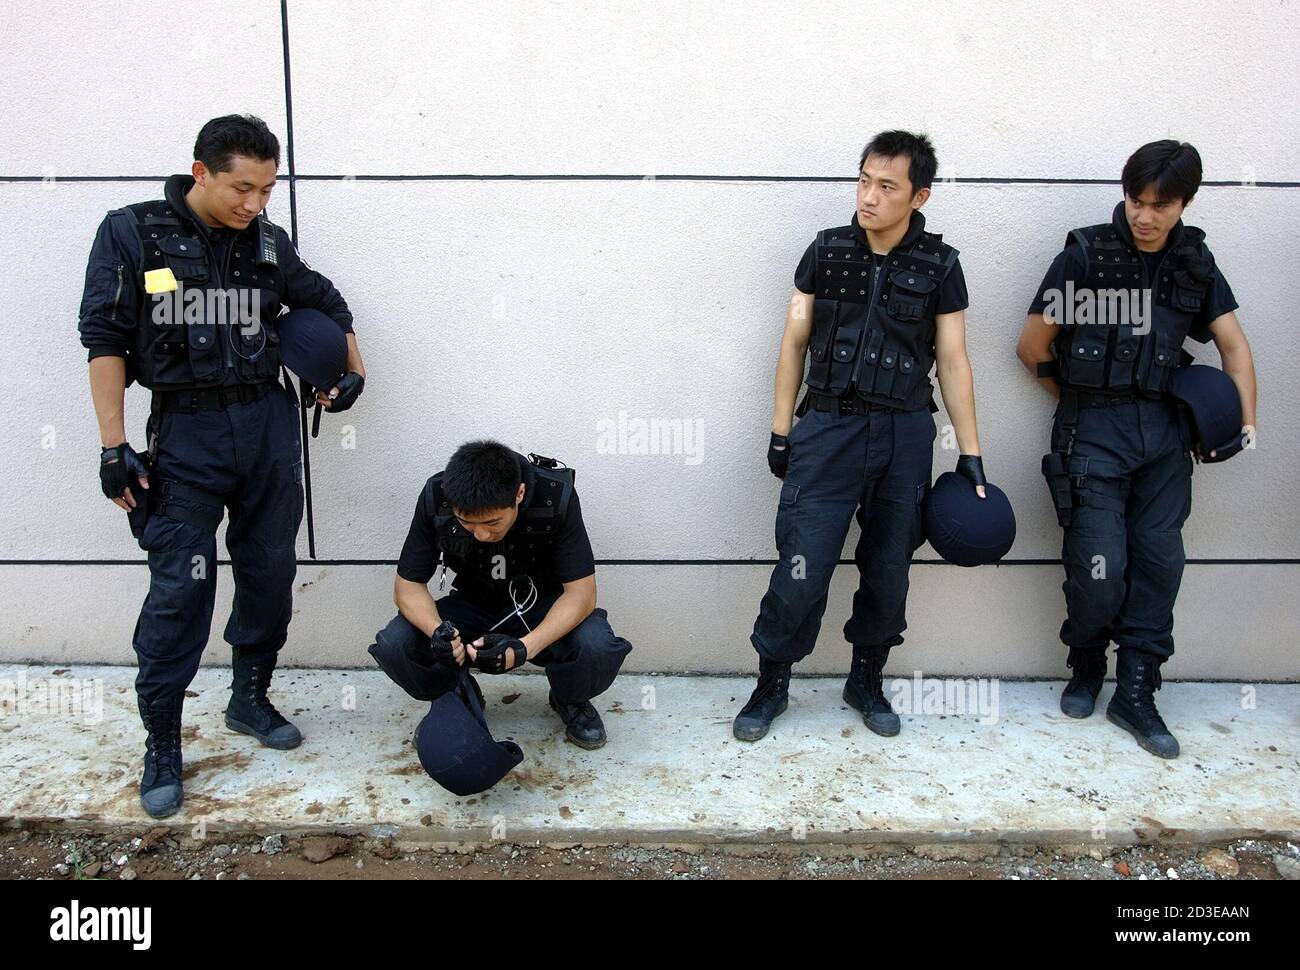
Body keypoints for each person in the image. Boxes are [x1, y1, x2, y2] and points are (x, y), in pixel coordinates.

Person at [79, 115, 366, 817]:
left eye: (267, 189)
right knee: (181, 587)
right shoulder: (132, 231)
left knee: (270, 570)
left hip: (267, 425)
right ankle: (163, 742)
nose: (255, 204)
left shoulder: (268, 241)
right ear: (202, 171)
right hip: (187, 433)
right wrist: (113, 446)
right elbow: (104, 336)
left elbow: (324, 302)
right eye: (244, 187)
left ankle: (249, 698)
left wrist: (350, 372)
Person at [735, 131, 989, 742]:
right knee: (801, 565)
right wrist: (780, 430)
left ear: (918, 196)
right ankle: (772, 683)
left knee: (888, 569)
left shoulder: (941, 265)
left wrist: (972, 453)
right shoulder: (825, 252)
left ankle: (866, 680)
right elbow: (794, 340)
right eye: (864, 180)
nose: (869, 196)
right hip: (827, 430)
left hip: (904, 436)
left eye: (887, 186)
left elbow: (953, 361)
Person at [1016, 140, 1257, 758]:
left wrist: (1241, 424)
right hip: (1092, 436)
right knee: (1099, 570)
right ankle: (1087, 661)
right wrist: (1078, 398)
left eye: (1162, 205)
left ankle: (1138, 689)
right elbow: (1031, 346)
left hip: (1164, 441)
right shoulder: (1085, 257)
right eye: (1136, 201)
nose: (1146, 216)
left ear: (1185, 203)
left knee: (1159, 564)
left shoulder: (1194, 263)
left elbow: (1234, 346)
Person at [371, 440, 631, 753]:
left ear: (519, 494)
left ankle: (570, 697)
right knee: (395, 643)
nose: (481, 534)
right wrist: (439, 634)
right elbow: (408, 587)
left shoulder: (555, 495)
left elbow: (582, 594)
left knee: (596, 647)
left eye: (492, 522)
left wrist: (525, 648)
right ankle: (458, 692)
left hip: (538, 608)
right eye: (467, 522)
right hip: (472, 604)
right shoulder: (436, 496)